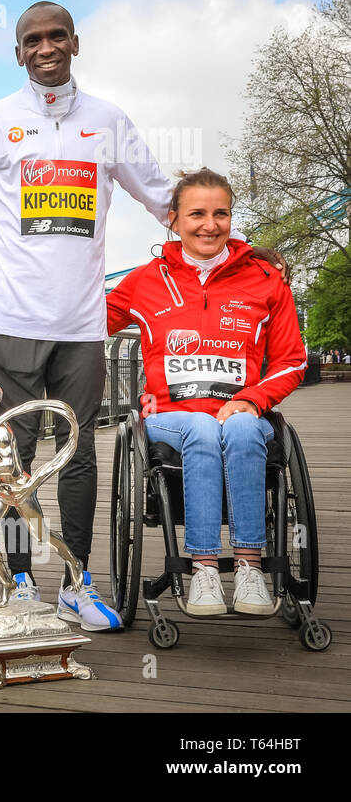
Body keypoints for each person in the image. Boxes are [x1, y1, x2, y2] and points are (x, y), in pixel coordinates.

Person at [0, 1, 287, 631]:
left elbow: (167, 200)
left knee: (78, 457)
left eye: (56, 36)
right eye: (32, 40)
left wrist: (240, 247)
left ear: (76, 42)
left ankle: (77, 581)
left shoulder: (108, 121)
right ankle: (22, 583)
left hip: (84, 323)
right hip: (11, 322)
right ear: (17, 52)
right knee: (17, 459)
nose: (45, 47)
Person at [106, 169, 306, 615]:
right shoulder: (144, 280)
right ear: (174, 220)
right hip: (168, 416)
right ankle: (204, 570)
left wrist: (251, 400)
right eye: (197, 213)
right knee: (199, 425)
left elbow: (292, 361)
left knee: (240, 429)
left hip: (241, 415)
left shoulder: (266, 280)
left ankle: (251, 567)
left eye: (221, 214)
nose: (209, 225)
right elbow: (84, 321)